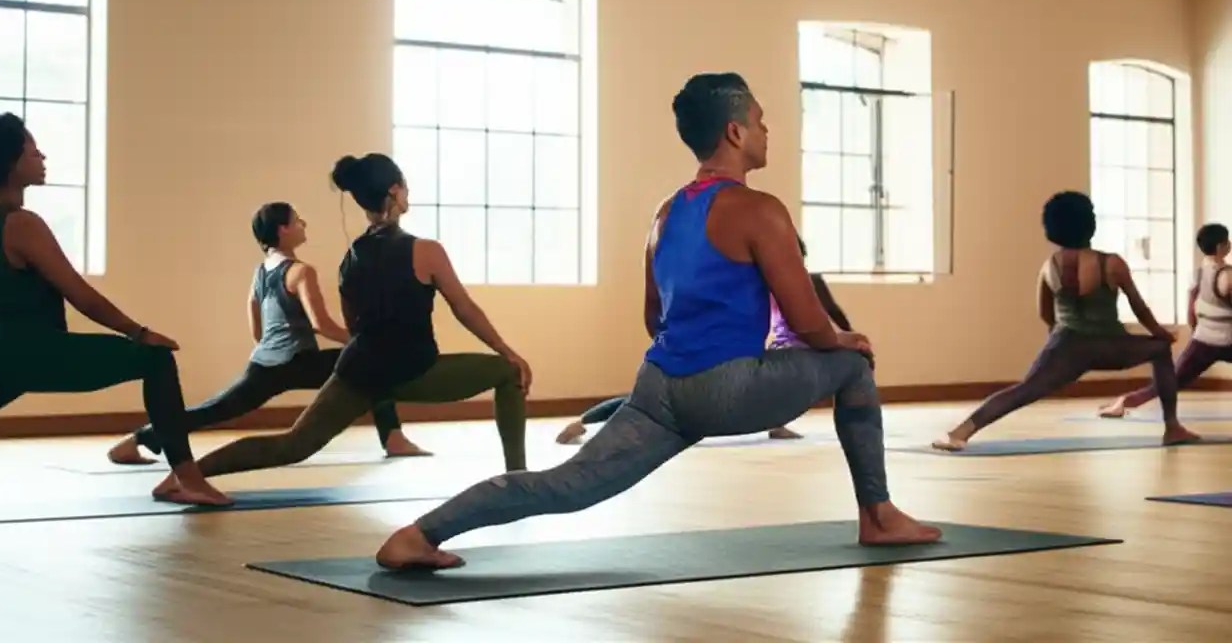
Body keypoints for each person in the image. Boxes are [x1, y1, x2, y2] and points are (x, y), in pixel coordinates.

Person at [375, 72, 941, 570]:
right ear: (736, 132)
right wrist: (845, 338)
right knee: (852, 365)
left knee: (568, 485)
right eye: (761, 121)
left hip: (658, 387)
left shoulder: (665, 213)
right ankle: (878, 515)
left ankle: (417, 535)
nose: (768, 131)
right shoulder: (760, 210)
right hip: (727, 389)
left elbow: (654, 317)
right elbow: (808, 321)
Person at [151, 153, 532, 495]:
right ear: (395, 191)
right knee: (507, 371)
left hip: (356, 372)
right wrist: (507, 350)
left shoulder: (350, 258)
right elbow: (464, 308)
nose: (407, 193)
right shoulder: (426, 250)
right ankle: (518, 477)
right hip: (412, 372)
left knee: (293, 445)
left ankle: (186, 475)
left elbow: (355, 327)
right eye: (405, 187)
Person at [0, 112, 229, 505]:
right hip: (25, 350)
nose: (42, 157)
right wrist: (139, 332)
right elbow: (81, 295)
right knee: (155, 360)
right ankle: (187, 479)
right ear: (10, 163)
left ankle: (184, 478)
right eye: (32, 151)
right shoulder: (22, 224)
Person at [106, 202, 428, 465]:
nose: (303, 224)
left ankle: (136, 440)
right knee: (371, 364)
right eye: (297, 220)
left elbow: (256, 326)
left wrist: (272, 351)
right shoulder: (301, 272)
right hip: (297, 360)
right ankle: (394, 438)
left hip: (266, 362)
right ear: (282, 230)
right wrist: (361, 342)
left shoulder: (261, 271)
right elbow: (321, 324)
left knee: (217, 408)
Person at [933, 191, 1201, 451]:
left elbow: (1045, 313)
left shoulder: (1049, 266)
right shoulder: (1112, 263)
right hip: (1110, 346)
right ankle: (1172, 427)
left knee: (1025, 390)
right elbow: (1139, 307)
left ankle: (960, 432)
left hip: (1067, 345)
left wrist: (1057, 344)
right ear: (1090, 224)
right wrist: (1160, 333)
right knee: (1159, 349)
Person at [554, 235, 853, 444]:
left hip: (776, 352)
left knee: (652, 400)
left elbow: (829, 313)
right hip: (778, 353)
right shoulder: (767, 281)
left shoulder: (789, 280)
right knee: (653, 401)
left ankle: (777, 423)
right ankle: (586, 420)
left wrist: (845, 334)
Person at [1099, 223, 1232, 418]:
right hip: (1226, 338)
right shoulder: (1227, 275)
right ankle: (1125, 401)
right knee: (1172, 381)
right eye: (1227, 241)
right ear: (1221, 246)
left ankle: (1125, 402)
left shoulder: (1197, 273)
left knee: (1172, 381)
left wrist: (1196, 332)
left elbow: (1191, 309)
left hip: (1203, 338)